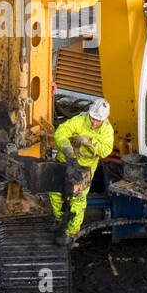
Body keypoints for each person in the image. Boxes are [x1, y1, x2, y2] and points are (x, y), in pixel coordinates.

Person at [49, 98, 114, 246]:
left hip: (83, 169)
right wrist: (67, 149)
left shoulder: (107, 131)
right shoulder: (79, 121)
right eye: (92, 118)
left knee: (77, 201)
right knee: (54, 191)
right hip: (65, 162)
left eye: (98, 121)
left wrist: (88, 142)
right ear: (89, 114)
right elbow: (60, 132)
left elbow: (105, 150)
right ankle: (59, 218)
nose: (94, 123)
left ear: (104, 120)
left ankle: (70, 233)